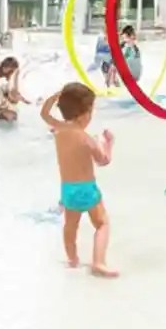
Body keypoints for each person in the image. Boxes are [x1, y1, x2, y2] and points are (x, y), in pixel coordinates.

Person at [40, 83, 117, 277]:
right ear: (83, 114)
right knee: (102, 224)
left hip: (67, 190)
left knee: (70, 227)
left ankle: (72, 260)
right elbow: (103, 161)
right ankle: (98, 262)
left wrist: (54, 97)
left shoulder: (58, 129)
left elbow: (44, 114)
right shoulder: (86, 138)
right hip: (87, 189)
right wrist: (108, 144)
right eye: (91, 111)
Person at [0, 57, 29, 124]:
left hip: (2, 115)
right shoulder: (3, 82)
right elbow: (14, 98)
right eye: (13, 71)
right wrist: (16, 78)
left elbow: (13, 95)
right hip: (8, 115)